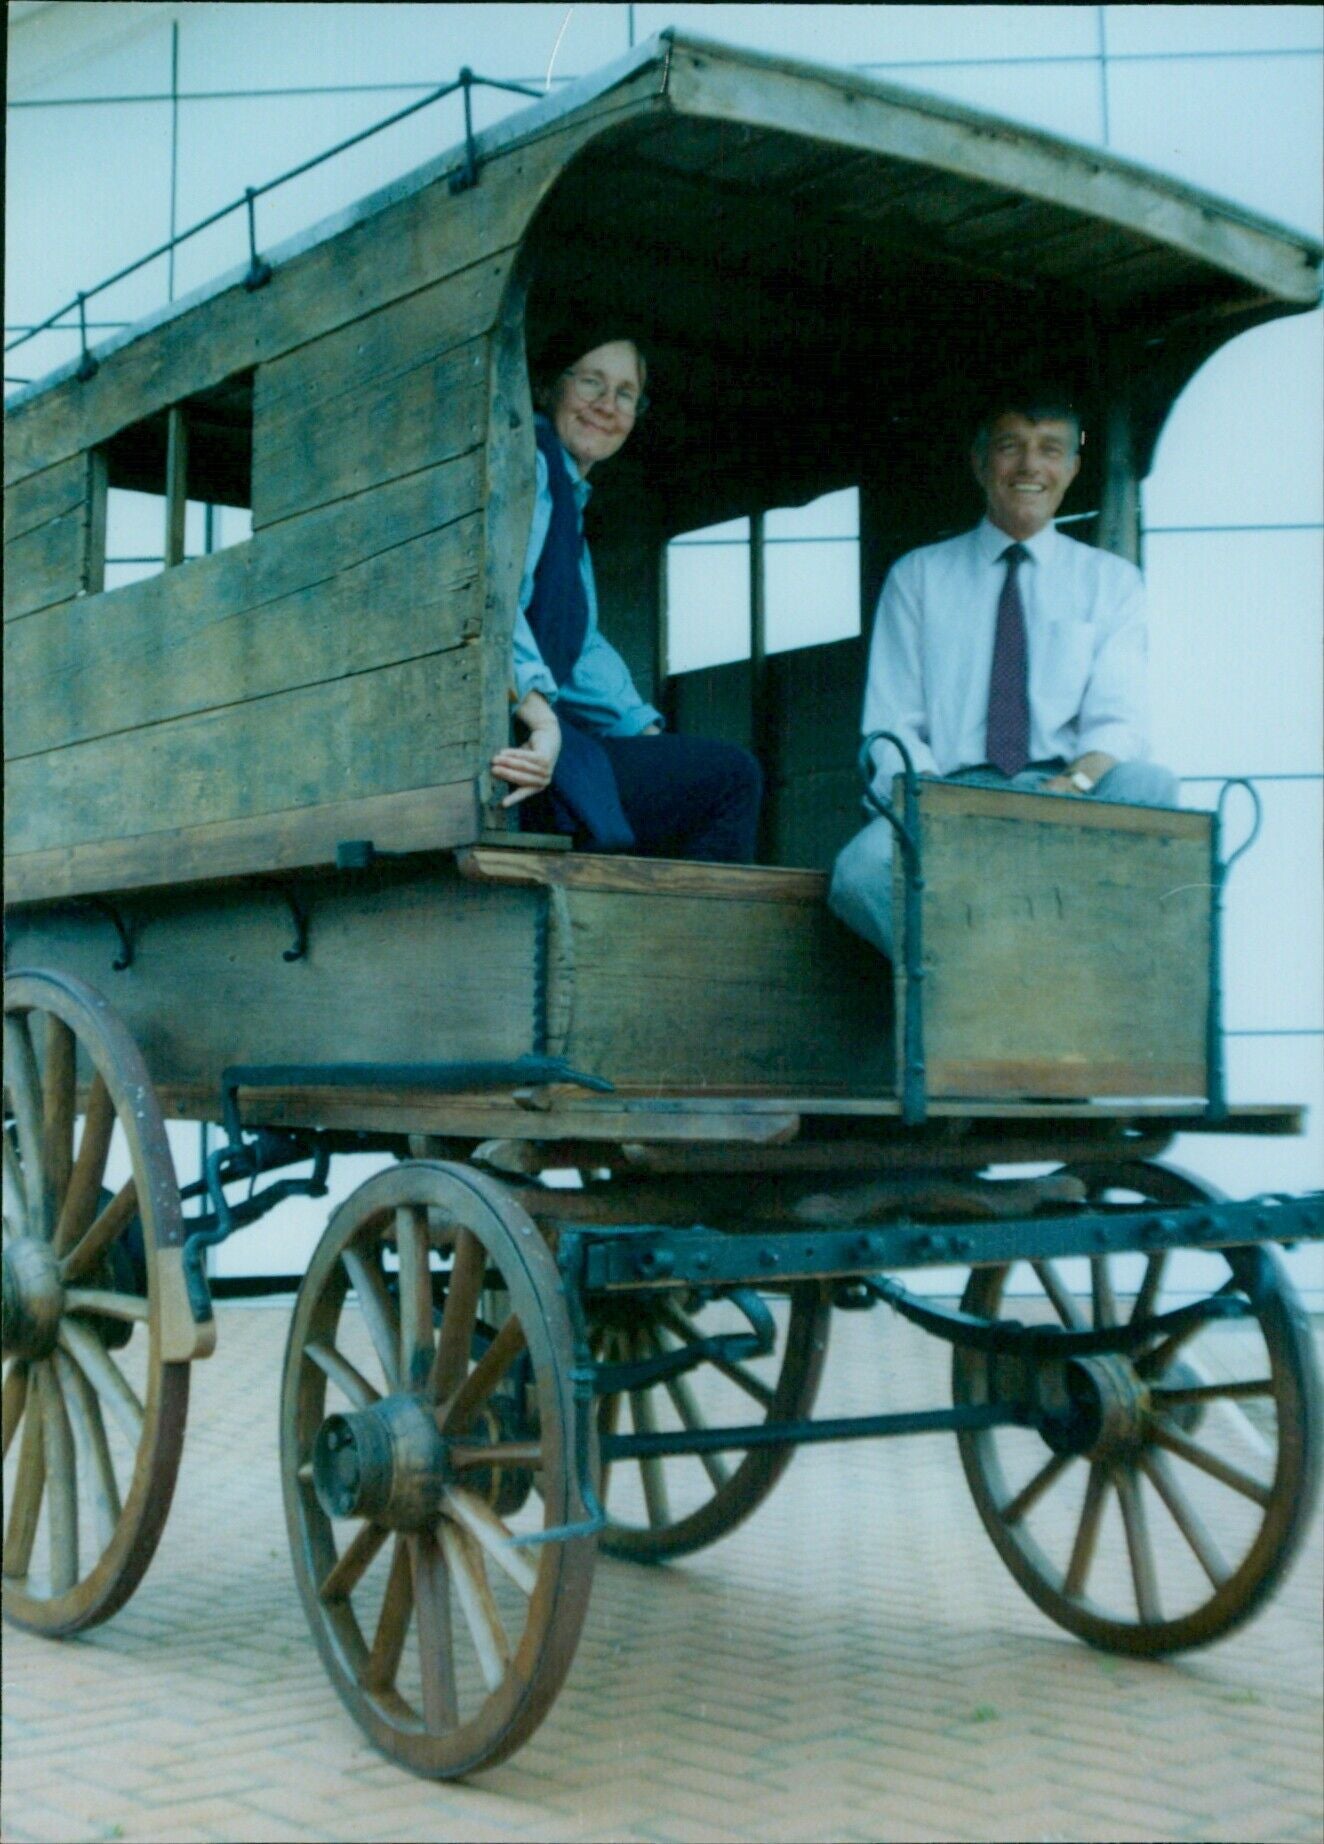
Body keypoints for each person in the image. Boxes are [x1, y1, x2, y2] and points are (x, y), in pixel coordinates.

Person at [829, 391, 1178, 957]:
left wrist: (1076, 783)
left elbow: (1119, 721)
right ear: (980, 462)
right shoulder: (918, 577)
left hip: (1066, 792)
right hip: (952, 792)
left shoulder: (1111, 582)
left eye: (1050, 449)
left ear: (1072, 468)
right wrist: (940, 803)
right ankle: (976, 976)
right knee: (860, 871)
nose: (1029, 466)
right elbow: (890, 726)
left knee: (1151, 786)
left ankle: (1071, 973)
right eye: (1011, 446)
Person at [489, 328, 762, 862]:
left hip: (536, 742)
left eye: (625, 393)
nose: (605, 406)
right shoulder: (534, 469)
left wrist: (645, 728)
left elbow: (582, 645)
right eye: (591, 382)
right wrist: (542, 722)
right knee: (732, 778)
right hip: (515, 751)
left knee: (683, 771)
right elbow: (496, 606)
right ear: (549, 389)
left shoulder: (567, 499)